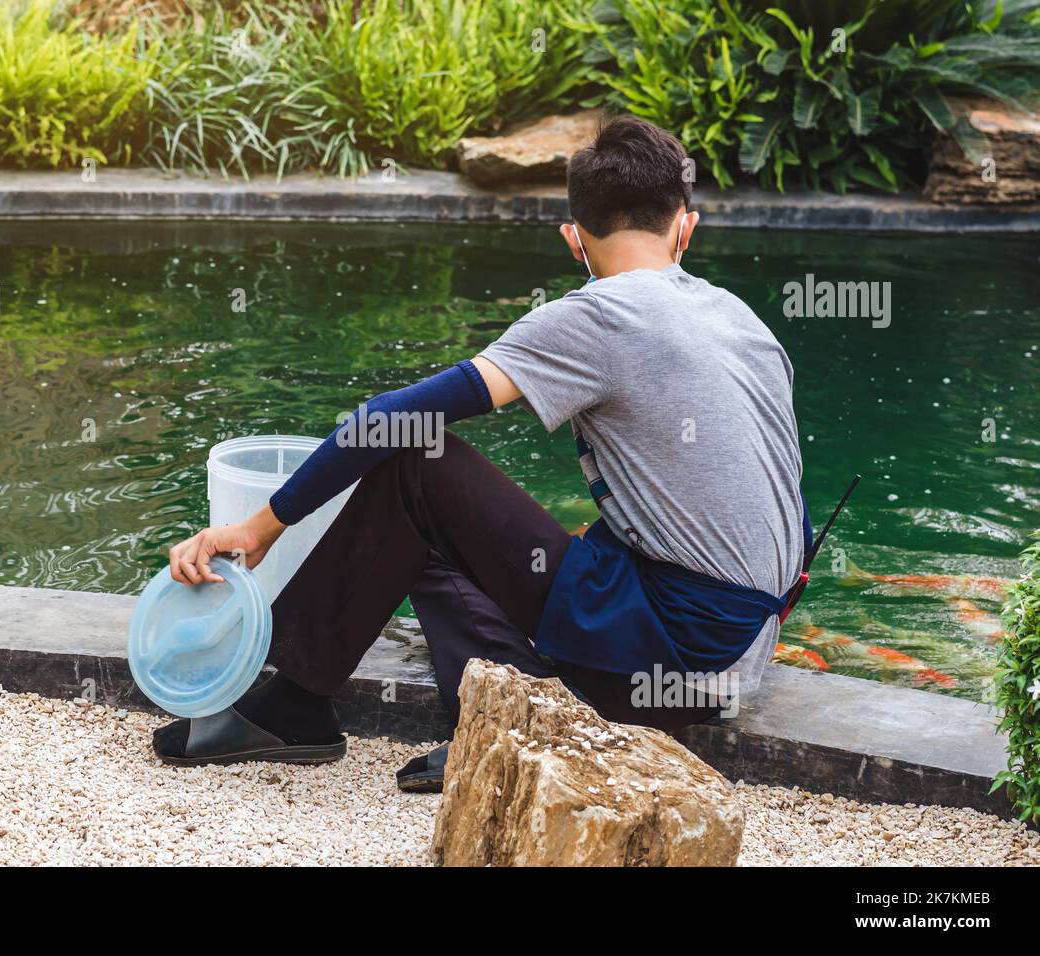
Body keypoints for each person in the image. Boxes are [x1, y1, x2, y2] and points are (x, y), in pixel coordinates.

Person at [154, 115, 809, 792]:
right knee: (430, 540)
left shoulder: (600, 313)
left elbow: (392, 419)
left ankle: (294, 706)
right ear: (686, 228)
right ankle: (502, 718)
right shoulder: (741, 320)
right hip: (729, 663)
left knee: (415, 462)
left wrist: (263, 524)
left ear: (573, 240)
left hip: (667, 660)